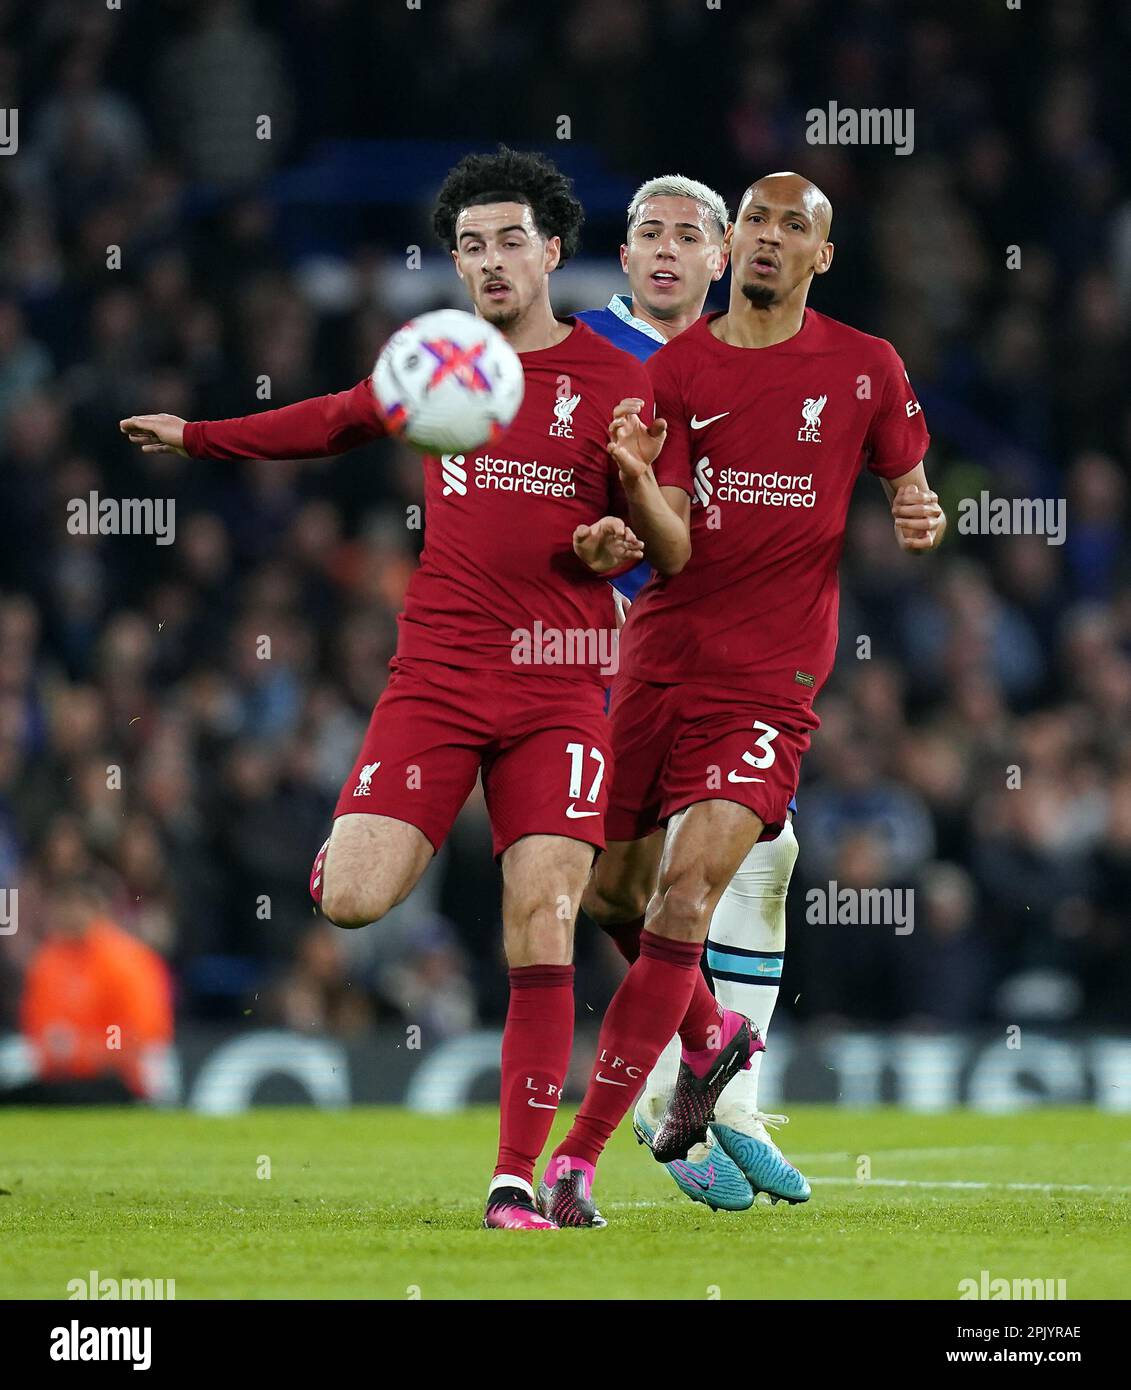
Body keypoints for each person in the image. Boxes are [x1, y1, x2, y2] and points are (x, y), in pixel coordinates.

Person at [121, 147, 690, 1231]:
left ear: (553, 252)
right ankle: (354, 838)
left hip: (564, 682)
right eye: (470, 246)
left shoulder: (623, 382)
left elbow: (663, 546)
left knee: (545, 917)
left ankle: (515, 1181)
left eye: (509, 240)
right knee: (351, 902)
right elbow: (330, 419)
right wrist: (198, 436)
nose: (488, 262)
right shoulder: (438, 363)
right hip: (436, 675)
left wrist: (616, 532)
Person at [536, 171, 945, 1227]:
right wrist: (633, 488)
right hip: (659, 662)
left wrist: (917, 504)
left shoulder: (867, 368)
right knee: (613, 899)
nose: (768, 237)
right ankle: (712, 1037)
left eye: (789, 225)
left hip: (770, 681)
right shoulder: (678, 371)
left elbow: (908, 473)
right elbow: (671, 545)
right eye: (755, 220)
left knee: (695, 894)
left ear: (822, 255)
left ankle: (587, 1153)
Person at [17, 878, 173, 1103]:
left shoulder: (127, 959)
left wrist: (81, 1050)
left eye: (76, 904)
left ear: (97, 907)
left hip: (119, 1079)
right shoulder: (48, 960)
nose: (69, 913)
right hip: (61, 1077)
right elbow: (38, 1025)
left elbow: (141, 1032)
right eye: (63, 904)